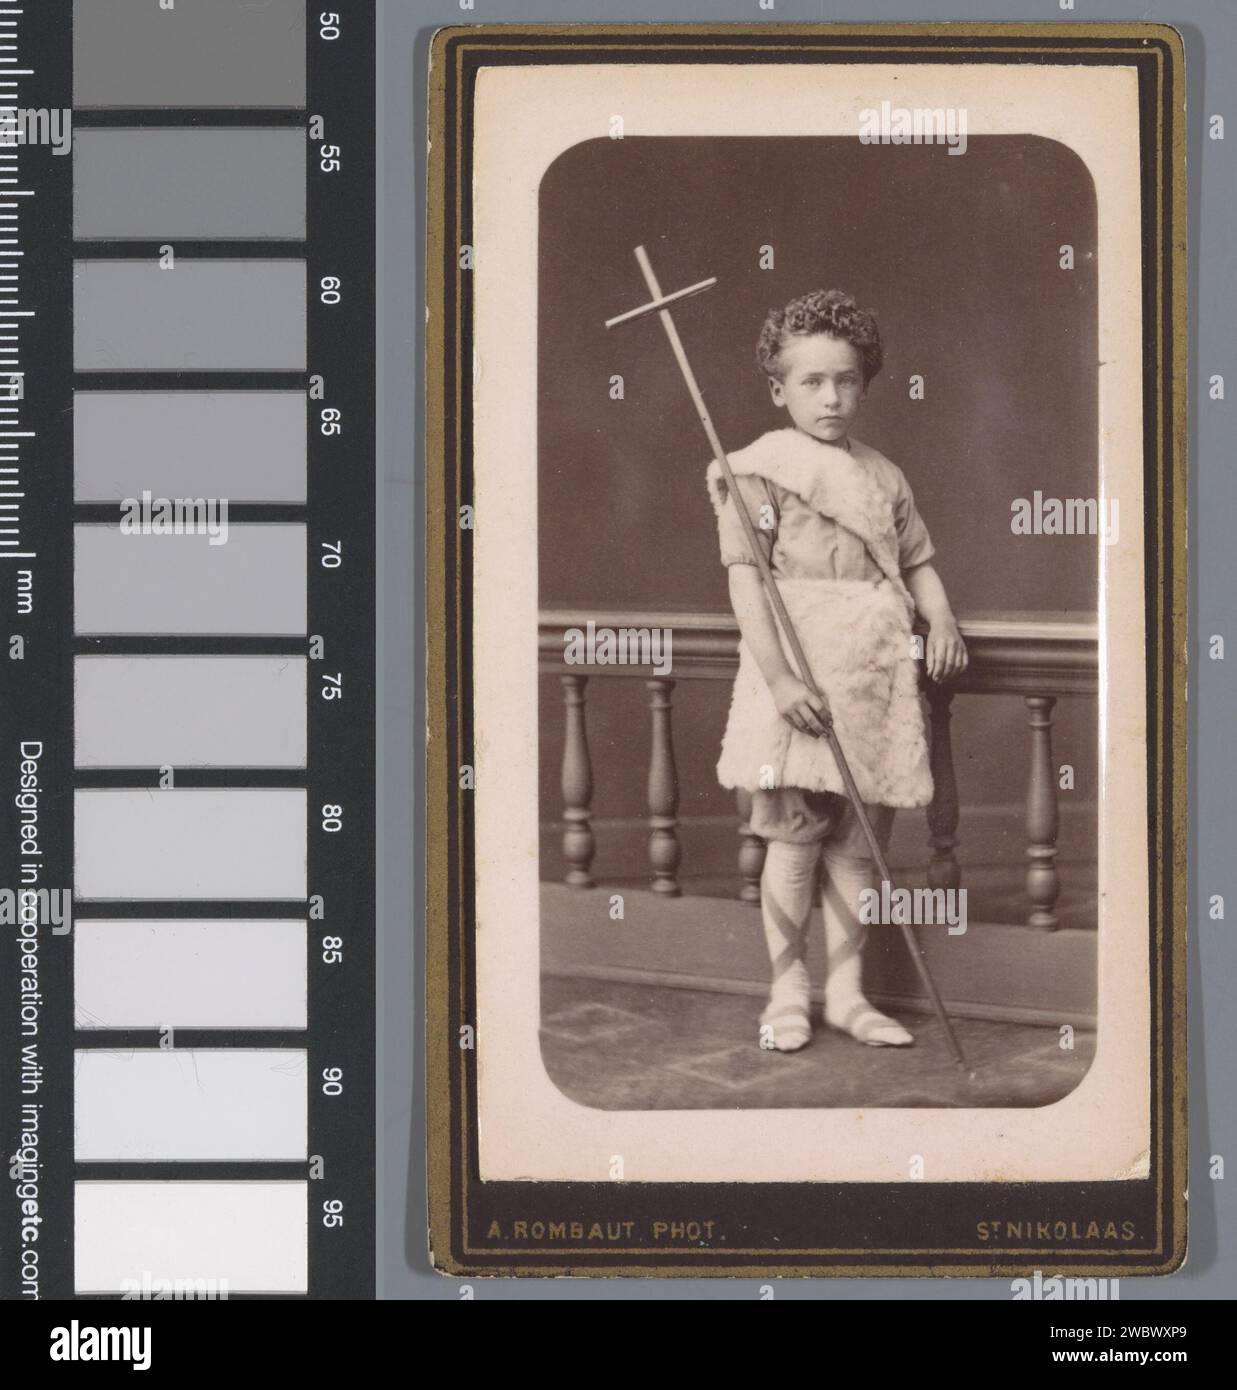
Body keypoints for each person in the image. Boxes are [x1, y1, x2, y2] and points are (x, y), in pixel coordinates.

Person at [708, 289, 968, 1051]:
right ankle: (787, 992)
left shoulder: (883, 476)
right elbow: (745, 580)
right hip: (798, 673)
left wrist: (941, 616)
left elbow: (915, 561)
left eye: (846, 380)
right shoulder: (757, 471)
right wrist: (782, 681)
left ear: (865, 382)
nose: (830, 397)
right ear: (777, 389)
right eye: (812, 382)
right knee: (794, 836)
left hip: (870, 676)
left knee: (860, 845)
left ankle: (847, 996)